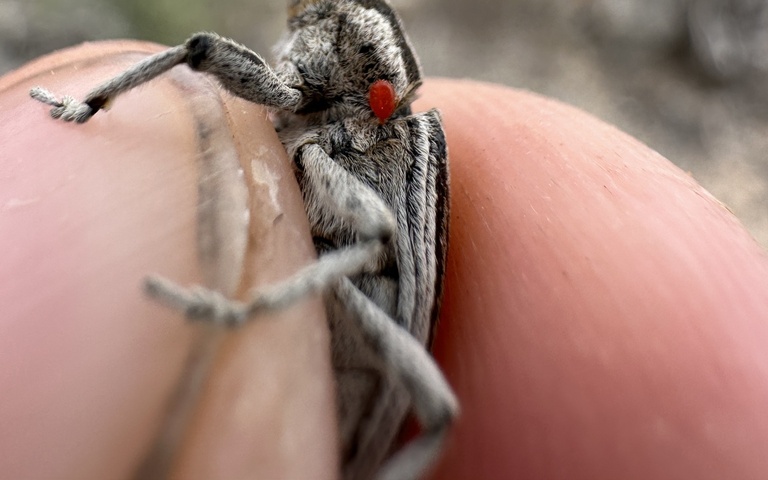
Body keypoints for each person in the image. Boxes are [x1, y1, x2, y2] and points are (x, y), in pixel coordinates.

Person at [2, 40, 768, 480]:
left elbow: (372, 240)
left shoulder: (386, 140)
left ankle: (87, 113)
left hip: (366, 333)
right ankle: (85, 107)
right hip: (333, 329)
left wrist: (250, 307)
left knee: (440, 413)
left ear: (368, 81)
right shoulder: (335, 120)